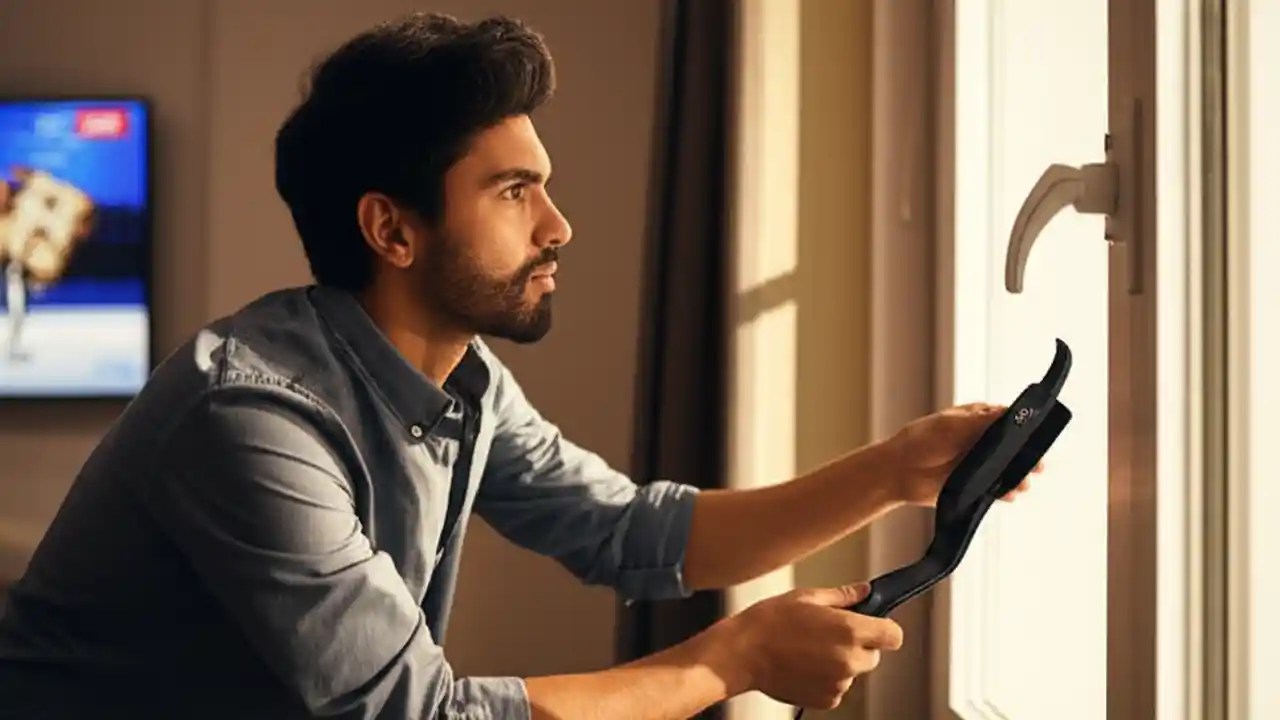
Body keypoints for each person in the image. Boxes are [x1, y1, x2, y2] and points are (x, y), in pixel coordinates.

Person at [0, 12, 1038, 719]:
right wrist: (730, 660)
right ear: (390, 231)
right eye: (511, 193)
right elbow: (417, 711)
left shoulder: (462, 380)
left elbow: (635, 534)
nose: (559, 225)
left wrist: (899, 471)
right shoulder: (250, 416)